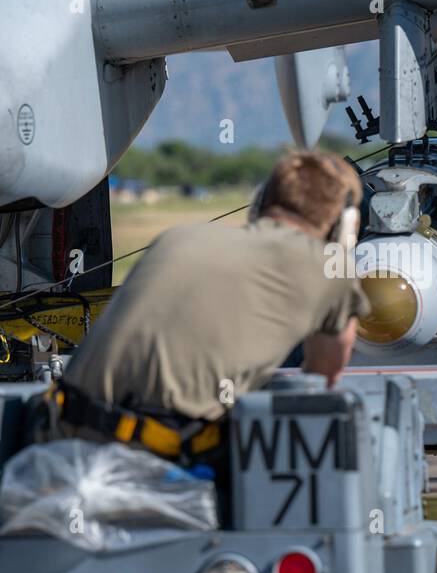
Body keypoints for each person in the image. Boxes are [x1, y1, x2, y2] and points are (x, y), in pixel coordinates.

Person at [56, 152, 369, 507]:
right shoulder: (330, 268)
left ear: (261, 201)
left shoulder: (179, 238)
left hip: (61, 443)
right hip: (159, 465)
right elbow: (323, 378)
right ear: (346, 225)